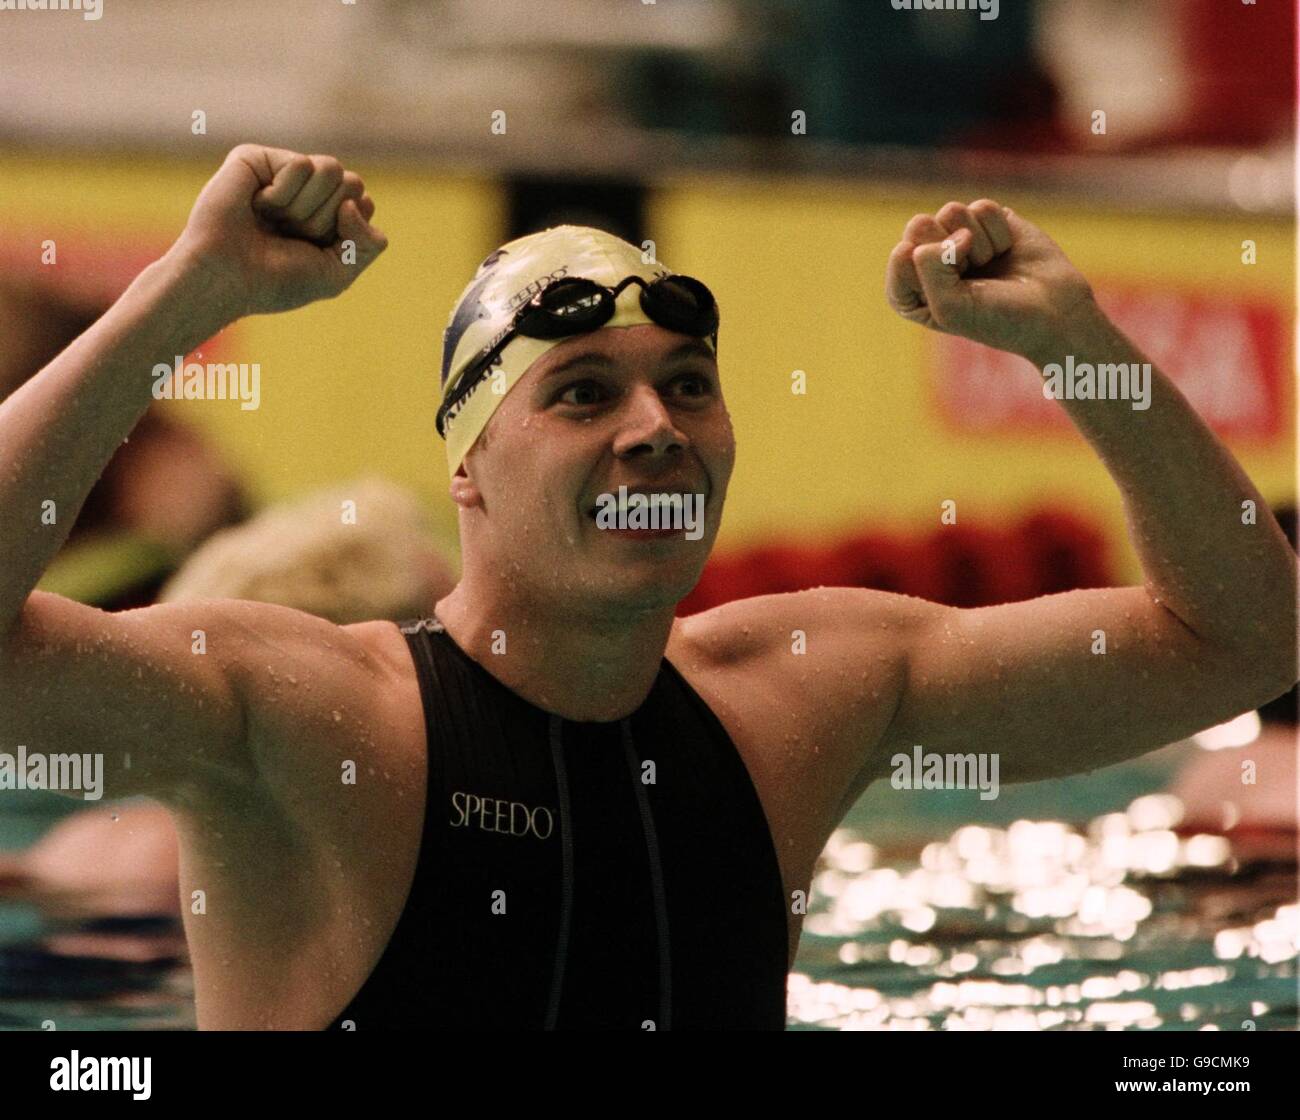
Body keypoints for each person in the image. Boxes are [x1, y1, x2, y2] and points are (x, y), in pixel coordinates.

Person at [0, 144, 1293, 1030]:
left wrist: (1075, 346)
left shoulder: (802, 696)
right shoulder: (300, 715)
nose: (655, 426)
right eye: (579, 394)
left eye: (688, 384)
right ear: (471, 470)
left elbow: (1244, 640)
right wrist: (181, 300)